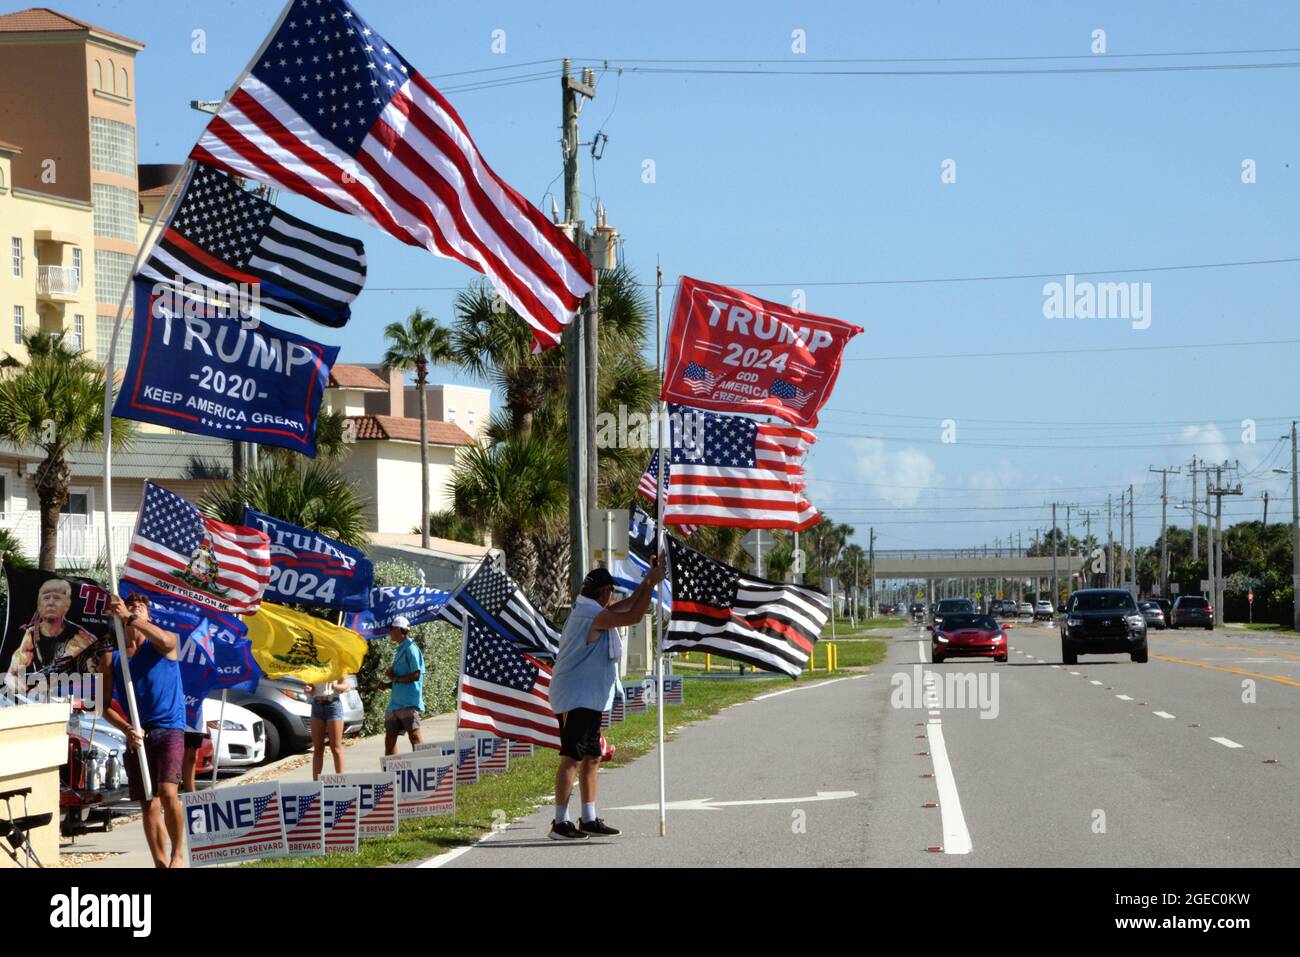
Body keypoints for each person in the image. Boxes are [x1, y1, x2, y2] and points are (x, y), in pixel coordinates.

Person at [547, 558, 665, 840]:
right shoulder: (591, 616)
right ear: (605, 593)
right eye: (611, 592)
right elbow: (634, 616)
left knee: (592, 757)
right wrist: (651, 582)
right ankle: (559, 823)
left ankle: (588, 818)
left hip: (590, 698)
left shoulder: (592, 609)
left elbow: (628, 606)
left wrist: (650, 580)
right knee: (572, 758)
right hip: (574, 697)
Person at [98, 592, 186, 868]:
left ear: (148, 616)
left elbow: (166, 640)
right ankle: (160, 863)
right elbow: (103, 706)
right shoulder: (113, 658)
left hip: (169, 727)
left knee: (168, 793)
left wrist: (131, 617)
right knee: (149, 802)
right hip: (139, 733)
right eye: (130, 606)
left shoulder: (163, 643)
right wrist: (126, 728)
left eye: (140, 608)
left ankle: (177, 854)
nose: (134, 610)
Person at [6, 577, 102, 680]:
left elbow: (98, 675)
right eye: (46, 598)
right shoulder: (31, 635)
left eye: (57, 598)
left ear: (67, 605)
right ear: (39, 605)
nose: (50, 603)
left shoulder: (80, 636)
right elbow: (11, 676)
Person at [382, 617, 423, 756]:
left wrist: (394, 678)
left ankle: (422, 768)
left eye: (391, 629)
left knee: (415, 737)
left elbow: (416, 675)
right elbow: (400, 679)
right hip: (395, 704)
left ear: (399, 630)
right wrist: (388, 684)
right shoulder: (401, 649)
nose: (389, 632)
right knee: (389, 739)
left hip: (408, 703)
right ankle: (390, 773)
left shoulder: (411, 649)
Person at [304, 674, 353, 778]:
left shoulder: (337, 664)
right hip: (317, 705)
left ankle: (342, 783)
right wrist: (309, 689)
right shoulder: (315, 665)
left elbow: (347, 686)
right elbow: (311, 687)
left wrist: (336, 686)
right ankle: (316, 784)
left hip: (333, 705)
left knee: (336, 747)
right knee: (318, 748)